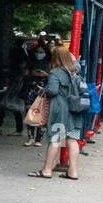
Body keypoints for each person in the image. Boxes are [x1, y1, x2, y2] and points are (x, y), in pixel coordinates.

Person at [29, 46, 83, 180]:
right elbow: (74, 62)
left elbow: (53, 91)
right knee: (72, 140)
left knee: (55, 139)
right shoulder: (75, 70)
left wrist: (43, 90)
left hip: (61, 111)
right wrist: (73, 58)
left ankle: (47, 170)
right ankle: (73, 171)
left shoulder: (55, 72)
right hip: (75, 110)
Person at [22, 59, 49, 147]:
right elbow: (25, 81)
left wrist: (47, 75)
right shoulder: (29, 74)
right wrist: (30, 74)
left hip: (43, 97)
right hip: (30, 96)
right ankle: (30, 138)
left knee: (42, 118)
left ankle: (38, 139)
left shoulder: (49, 75)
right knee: (30, 116)